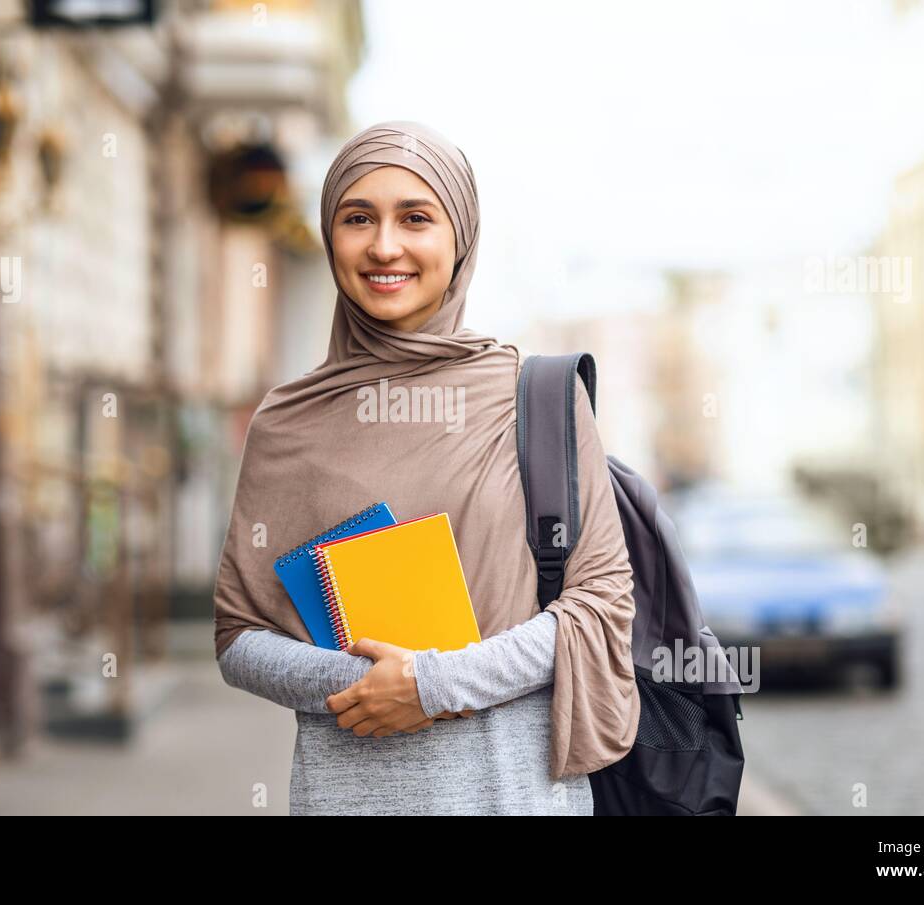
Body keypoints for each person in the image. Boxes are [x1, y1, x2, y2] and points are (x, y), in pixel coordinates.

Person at [213, 120, 640, 815]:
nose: (385, 246)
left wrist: (431, 685)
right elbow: (238, 639)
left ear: (460, 236)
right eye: (358, 218)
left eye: (416, 217)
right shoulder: (285, 422)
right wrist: (363, 684)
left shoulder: (537, 398)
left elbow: (599, 604)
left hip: (514, 796)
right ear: (330, 235)